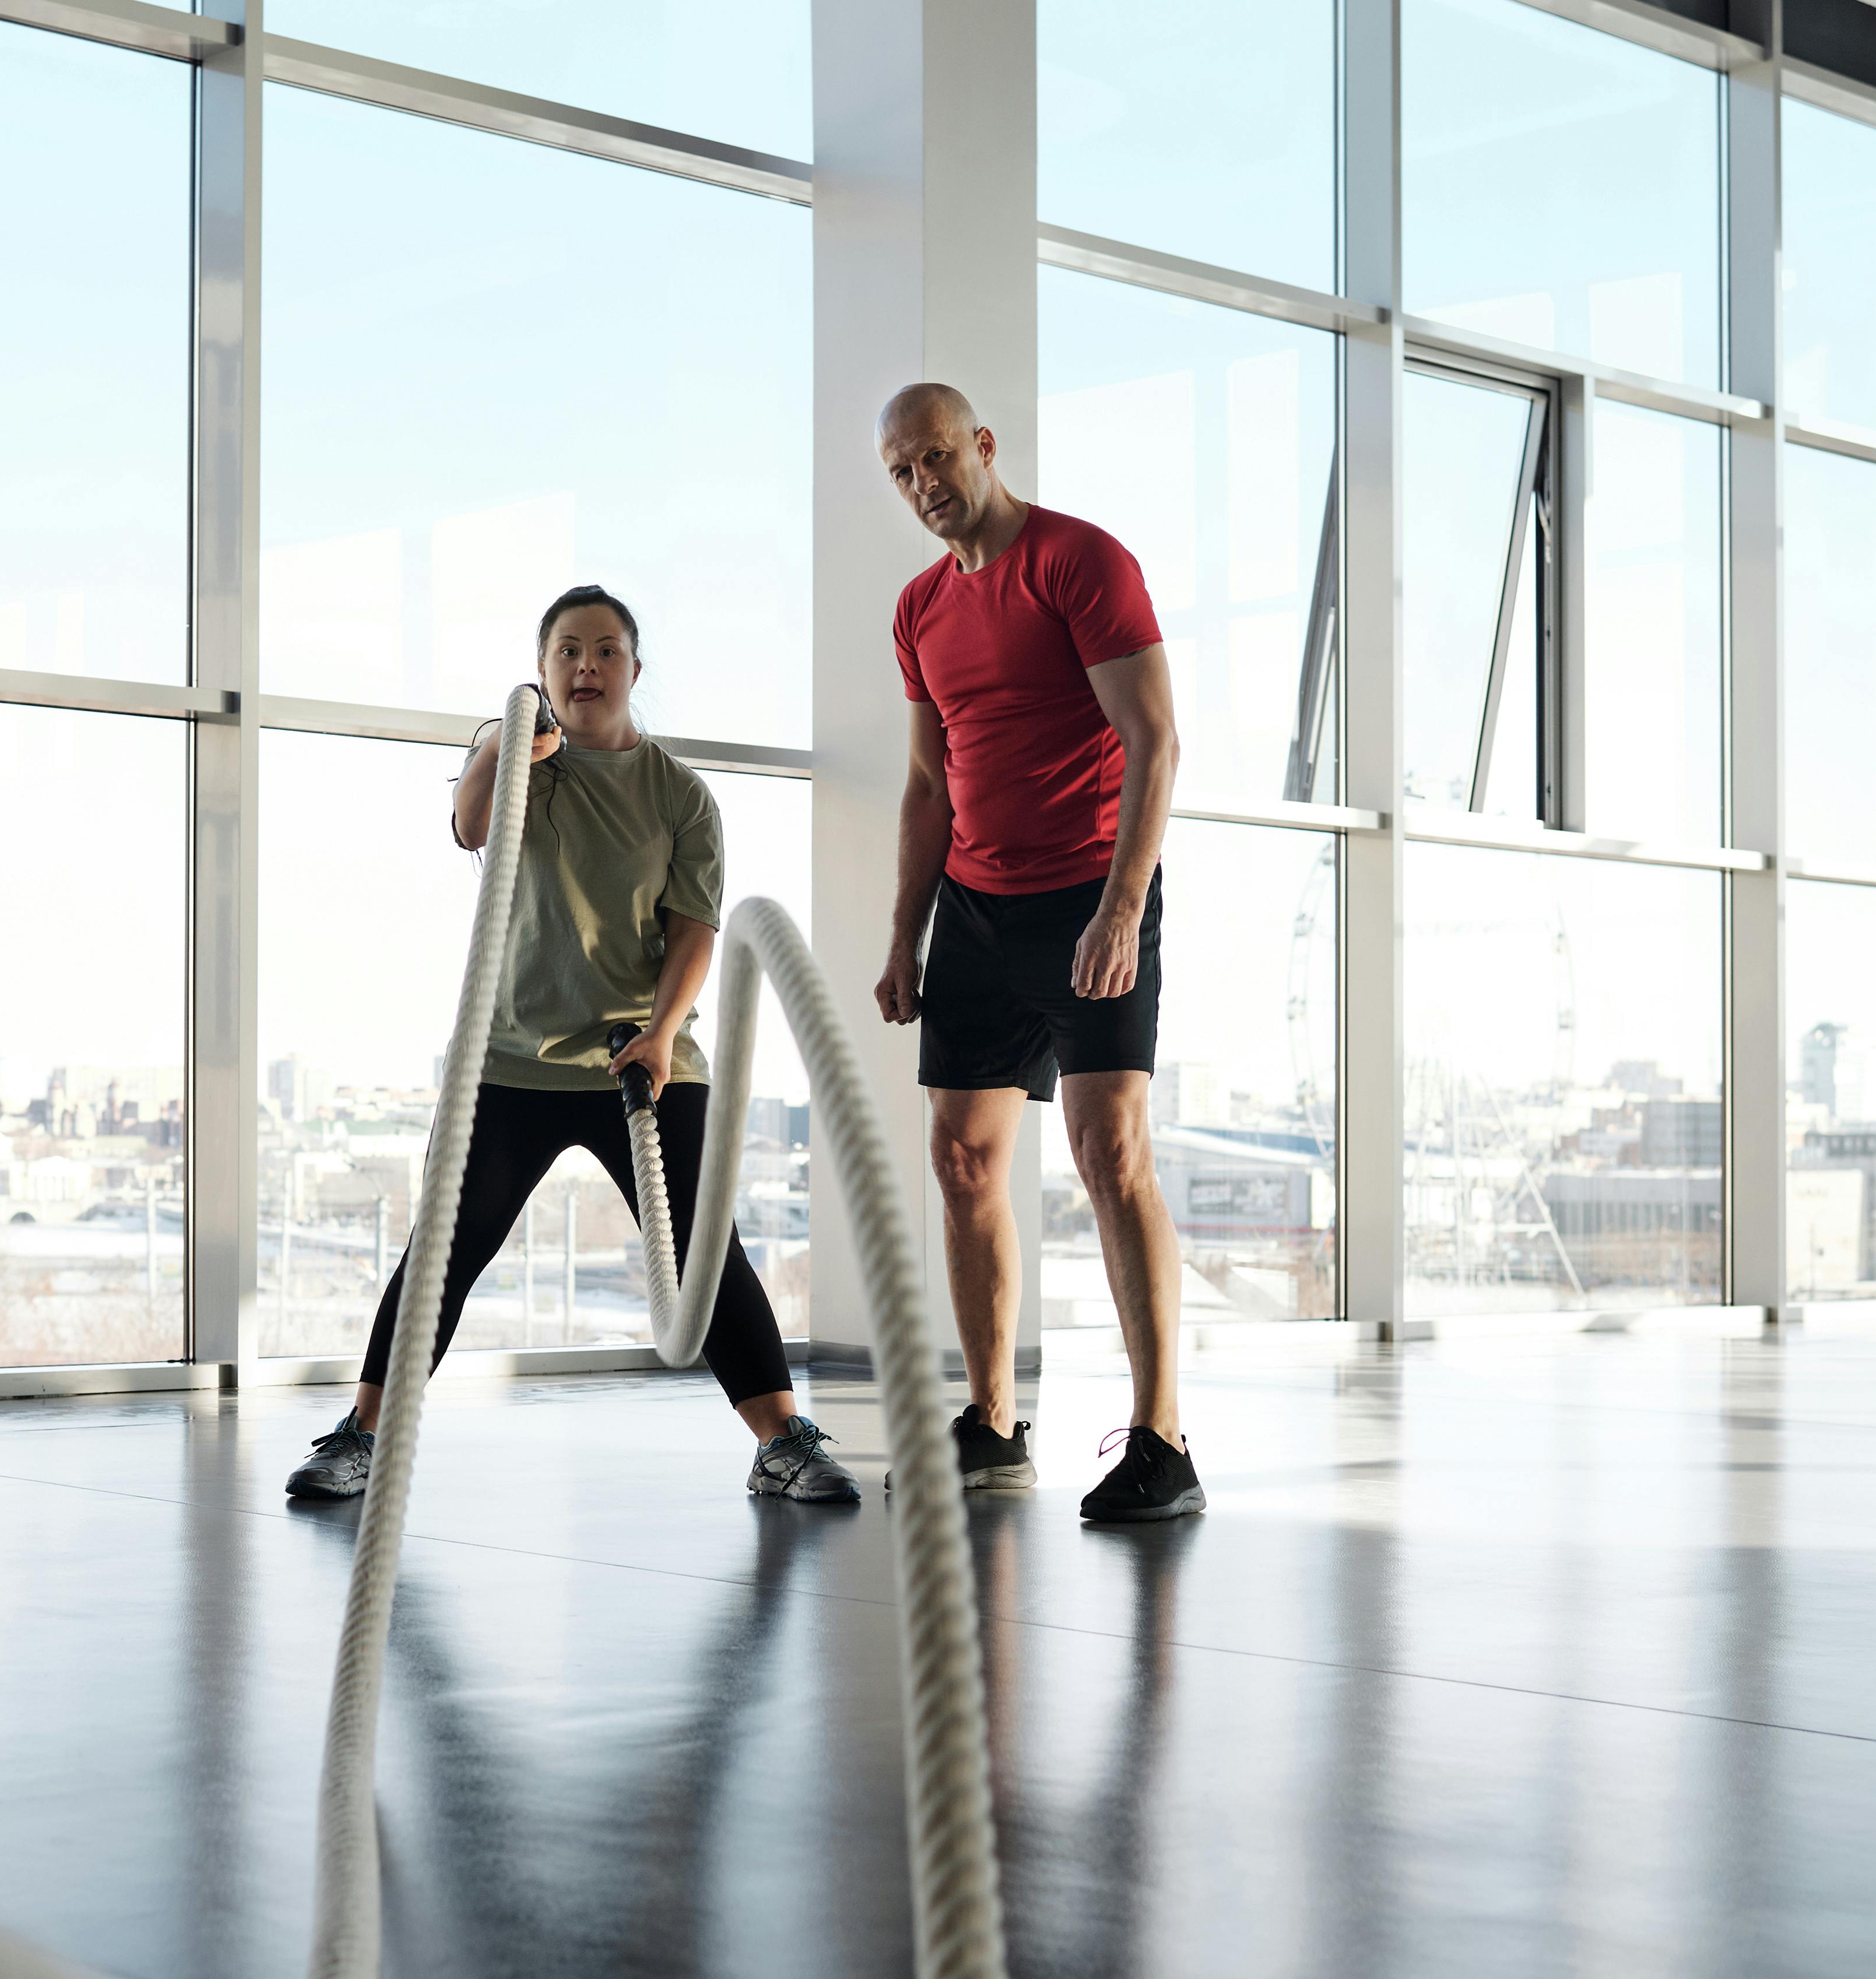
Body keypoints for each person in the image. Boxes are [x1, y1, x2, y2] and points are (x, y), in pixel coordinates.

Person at [287, 585, 860, 1506]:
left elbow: (694, 931)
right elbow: (471, 827)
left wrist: (666, 1034)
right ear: (544, 667)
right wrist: (502, 748)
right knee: (446, 1248)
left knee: (710, 1256)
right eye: (567, 651)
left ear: (634, 669)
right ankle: (361, 1437)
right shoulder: (520, 763)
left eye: (604, 650)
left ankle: (782, 1442)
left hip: (642, 1056)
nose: (586, 666)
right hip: (509, 1061)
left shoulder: (680, 795)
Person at [871, 381, 1205, 1523]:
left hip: (1090, 893)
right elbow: (929, 784)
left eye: (934, 457)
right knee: (962, 1161)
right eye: (901, 472)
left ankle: (1163, 1439)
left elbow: (1153, 739)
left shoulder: (1079, 562)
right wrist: (904, 935)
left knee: (1109, 1152)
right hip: (974, 906)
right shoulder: (919, 607)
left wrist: (1123, 906)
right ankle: (993, 1423)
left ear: (983, 445)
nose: (923, 485)